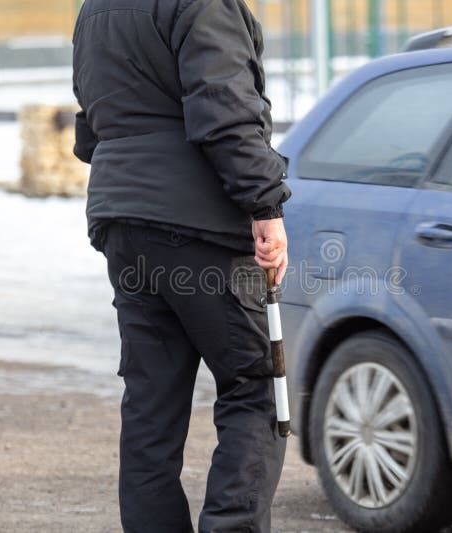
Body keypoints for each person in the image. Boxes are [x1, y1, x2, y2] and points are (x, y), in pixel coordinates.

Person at [71, 1, 292, 531]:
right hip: (200, 223)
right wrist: (265, 205)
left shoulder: (95, 8)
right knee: (257, 390)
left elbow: (90, 121)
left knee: (151, 406)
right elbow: (225, 108)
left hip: (122, 222)